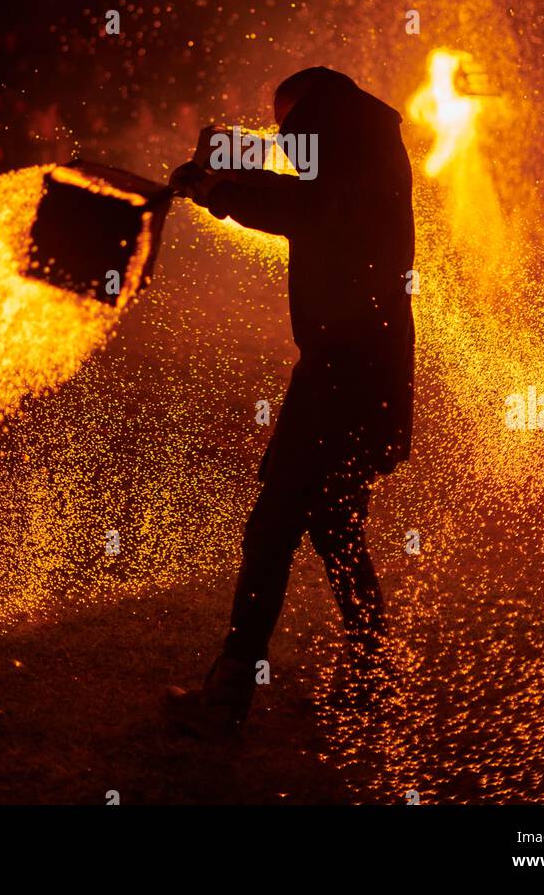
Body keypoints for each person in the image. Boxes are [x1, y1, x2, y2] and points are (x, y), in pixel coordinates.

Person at [166, 67, 415, 738]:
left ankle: (232, 684)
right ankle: (372, 675)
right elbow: (312, 194)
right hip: (377, 366)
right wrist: (223, 184)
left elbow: (307, 210)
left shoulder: (327, 122)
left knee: (275, 520)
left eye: (284, 123)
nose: (281, 135)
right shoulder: (365, 131)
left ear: (301, 104)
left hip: (341, 366)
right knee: (334, 524)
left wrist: (222, 191)